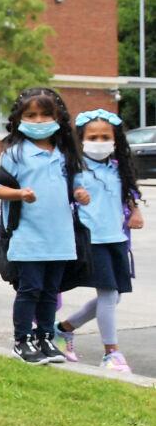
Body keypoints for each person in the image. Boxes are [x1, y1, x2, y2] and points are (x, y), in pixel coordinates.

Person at [0, 87, 86, 366]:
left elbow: (76, 188)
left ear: (58, 118)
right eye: (31, 115)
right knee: (30, 290)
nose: (39, 121)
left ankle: (45, 337)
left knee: (50, 292)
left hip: (60, 238)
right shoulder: (15, 154)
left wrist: (81, 194)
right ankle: (22, 340)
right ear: (20, 119)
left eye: (46, 115)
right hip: (28, 237)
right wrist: (19, 194)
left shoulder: (66, 154)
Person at [55, 109, 143, 371]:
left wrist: (135, 211)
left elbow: (128, 195)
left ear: (115, 139)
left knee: (114, 298)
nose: (100, 140)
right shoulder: (74, 168)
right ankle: (111, 354)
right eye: (93, 136)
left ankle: (64, 329)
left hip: (117, 240)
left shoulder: (118, 169)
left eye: (106, 136)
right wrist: (76, 193)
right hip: (91, 240)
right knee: (108, 294)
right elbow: (62, 196)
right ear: (81, 139)